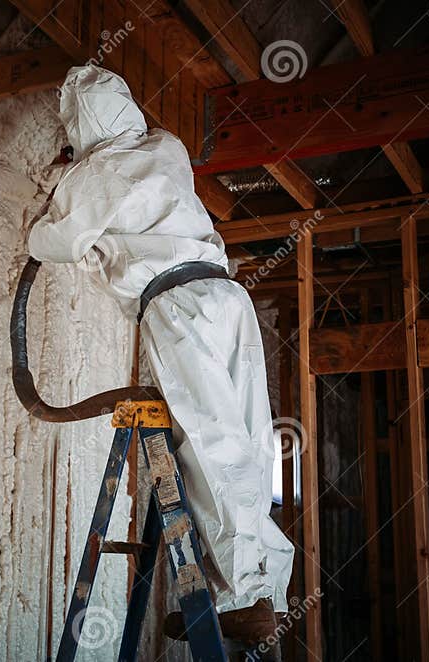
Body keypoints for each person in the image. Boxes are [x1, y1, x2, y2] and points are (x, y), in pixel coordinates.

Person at [27, 64, 294, 637]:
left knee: (208, 441)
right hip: (226, 294)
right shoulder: (165, 146)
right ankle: (265, 587)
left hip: (176, 306)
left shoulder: (93, 174)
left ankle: (246, 598)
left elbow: (52, 241)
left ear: (77, 124)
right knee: (247, 439)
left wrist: (60, 194)